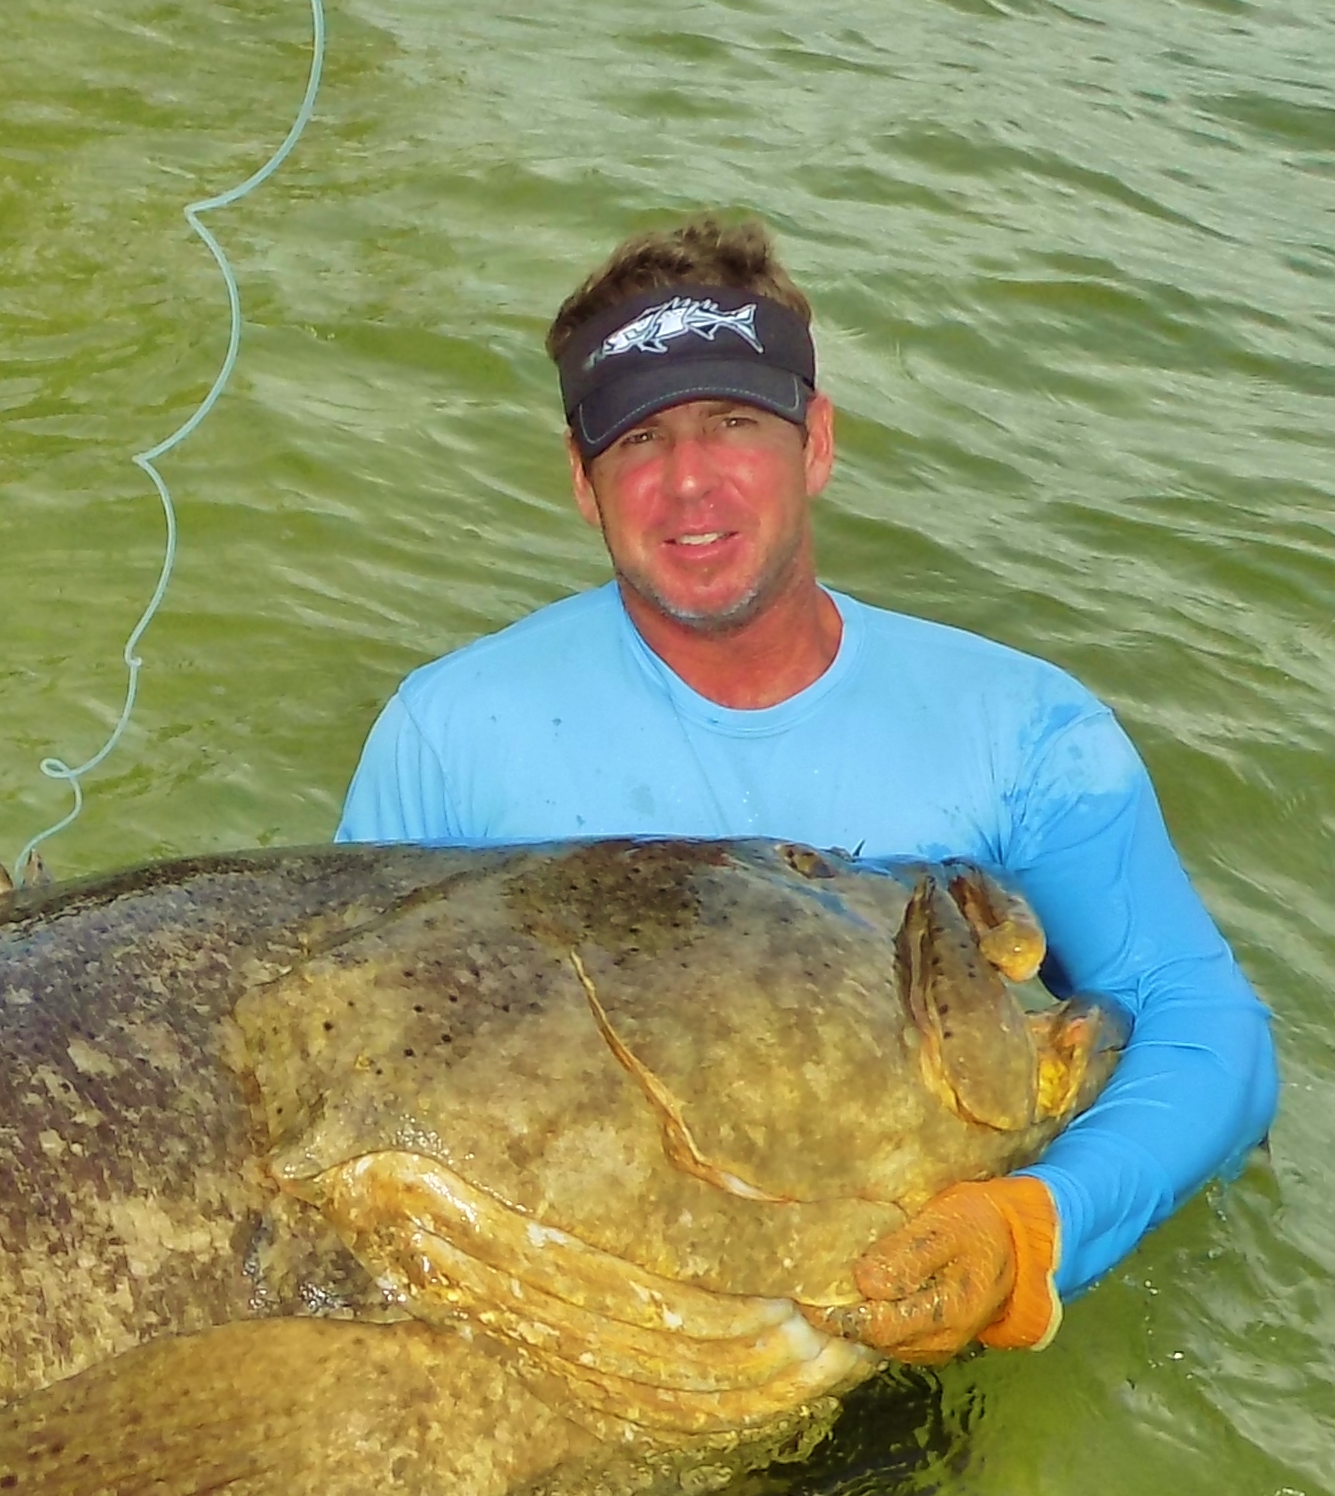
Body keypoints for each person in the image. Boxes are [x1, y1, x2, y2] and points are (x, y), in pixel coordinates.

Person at [339, 215, 1275, 1356]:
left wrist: (1035, 1228)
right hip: (557, 1343)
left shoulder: (1024, 731)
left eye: (731, 424)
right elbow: (343, 1088)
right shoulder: (446, 737)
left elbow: (1204, 1024)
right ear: (582, 486)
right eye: (636, 442)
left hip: (902, 1353)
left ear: (815, 442)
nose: (686, 484)